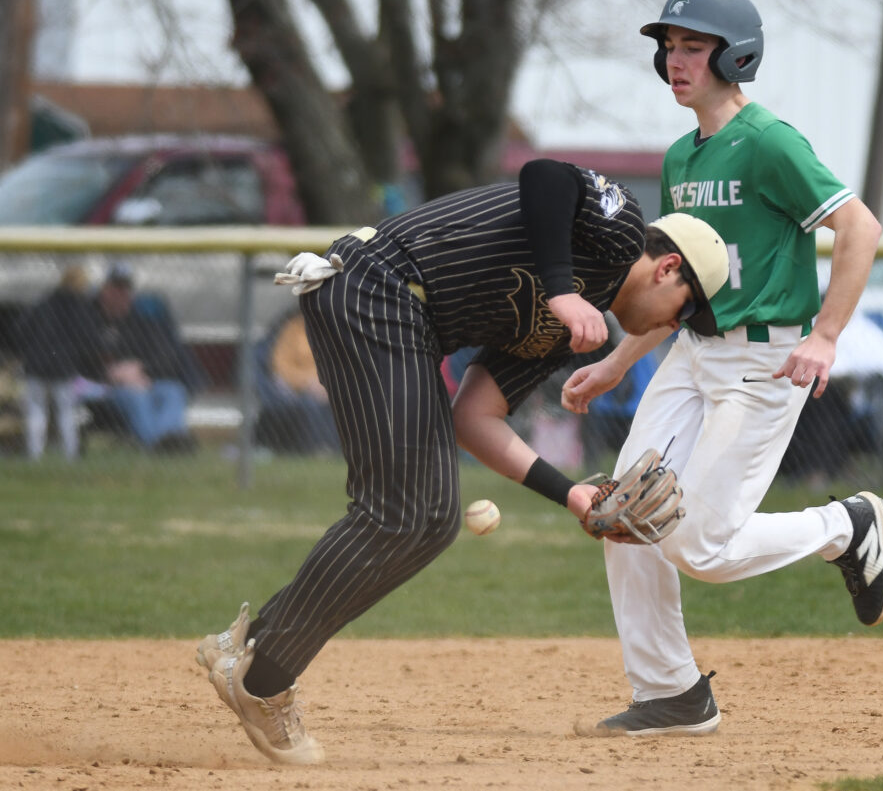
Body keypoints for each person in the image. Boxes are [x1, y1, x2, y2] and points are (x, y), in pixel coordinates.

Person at [195, 158, 732, 764]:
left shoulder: (575, 331)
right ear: (667, 268)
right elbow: (545, 176)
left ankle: (255, 652)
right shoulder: (620, 231)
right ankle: (262, 676)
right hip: (377, 284)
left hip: (404, 319)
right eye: (687, 311)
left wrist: (571, 494)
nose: (675, 326)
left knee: (428, 522)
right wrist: (561, 290)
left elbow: (475, 416)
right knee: (399, 513)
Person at [561, 0, 883, 736]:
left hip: (764, 362)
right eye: (669, 46)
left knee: (700, 544)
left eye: (693, 46)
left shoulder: (770, 141)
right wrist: (619, 362)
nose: (676, 61)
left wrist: (828, 334)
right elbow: (677, 292)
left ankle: (844, 525)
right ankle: (671, 691)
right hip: (693, 354)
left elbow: (859, 225)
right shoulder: (682, 157)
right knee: (626, 513)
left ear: (734, 54)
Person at [91, 263, 204, 452]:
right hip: (107, 387)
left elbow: (166, 357)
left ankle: (170, 441)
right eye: (116, 289)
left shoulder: (143, 323)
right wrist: (114, 373)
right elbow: (83, 357)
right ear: (105, 291)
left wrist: (140, 369)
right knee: (136, 396)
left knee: (173, 390)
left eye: (125, 289)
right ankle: (157, 446)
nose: (121, 295)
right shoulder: (91, 321)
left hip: (147, 382)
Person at [14, 266, 101, 460]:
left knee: (37, 411)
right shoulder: (79, 307)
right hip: (62, 367)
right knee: (66, 412)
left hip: (35, 364)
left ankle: (34, 455)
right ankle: (70, 455)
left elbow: (21, 330)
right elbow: (90, 338)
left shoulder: (44, 303)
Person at [254, 309, 341, 454]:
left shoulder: (338, 330)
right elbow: (281, 366)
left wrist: (328, 384)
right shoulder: (293, 328)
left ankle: (337, 449)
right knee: (311, 404)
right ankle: (314, 449)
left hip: (330, 385)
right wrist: (308, 382)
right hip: (297, 387)